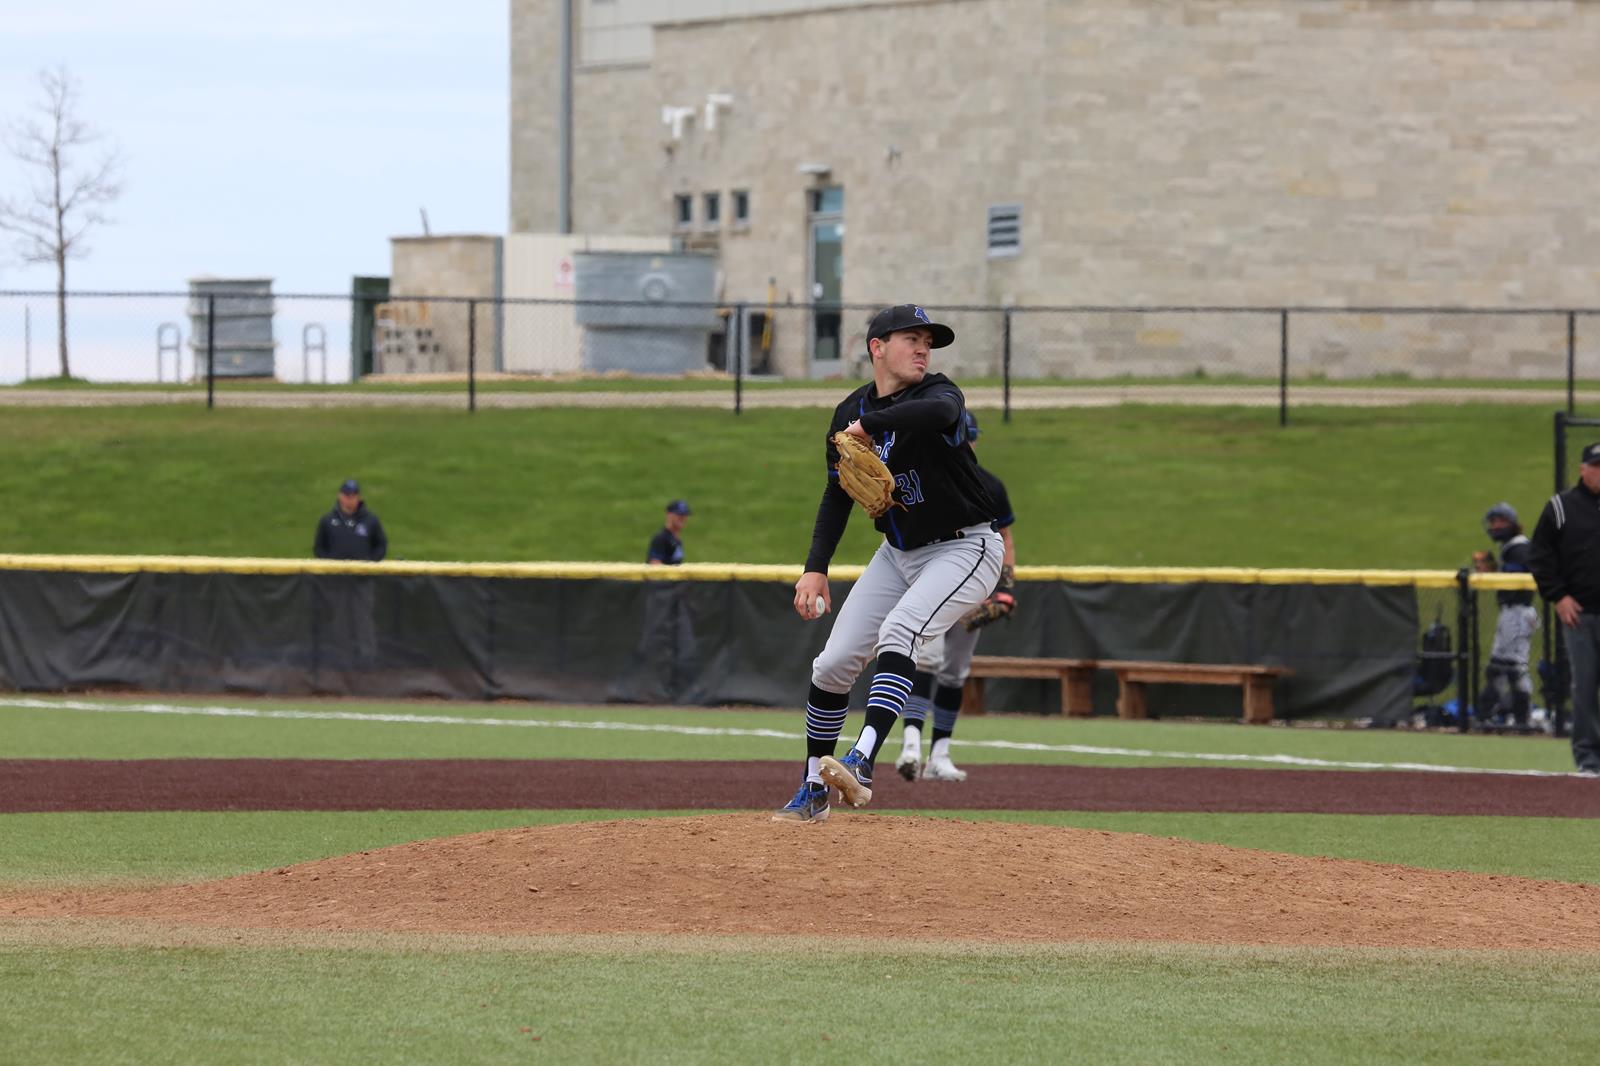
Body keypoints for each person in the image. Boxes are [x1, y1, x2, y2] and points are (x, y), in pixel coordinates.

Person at [773, 304, 1003, 823]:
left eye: (929, 341)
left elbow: (943, 417)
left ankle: (862, 760)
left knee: (901, 632)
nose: (924, 349)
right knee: (831, 665)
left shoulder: (938, 392)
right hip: (897, 553)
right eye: (911, 339)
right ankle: (812, 789)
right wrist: (815, 567)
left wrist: (869, 424)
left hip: (965, 547)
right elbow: (837, 496)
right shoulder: (847, 411)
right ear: (877, 347)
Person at [895, 410, 1017, 782]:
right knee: (927, 660)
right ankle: (911, 745)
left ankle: (940, 755)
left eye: (970, 435)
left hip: (974, 591)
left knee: (954, 672)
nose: (968, 442)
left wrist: (1005, 589)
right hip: (931, 587)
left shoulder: (989, 485)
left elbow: (1006, 540)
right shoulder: (927, 480)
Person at [1528, 443, 1600, 776]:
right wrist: (1558, 596)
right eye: (1596, 466)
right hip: (1580, 613)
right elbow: (1540, 556)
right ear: (1583, 469)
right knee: (1584, 686)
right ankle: (1588, 758)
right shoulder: (1560, 507)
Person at [1472, 502, 1537, 731]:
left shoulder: (1519, 548)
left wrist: (1497, 574)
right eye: (1493, 522)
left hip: (1518, 612)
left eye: (1501, 521)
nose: (1496, 526)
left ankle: (1519, 719)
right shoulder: (1511, 547)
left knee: (1511, 668)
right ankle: (1501, 717)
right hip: (1512, 613)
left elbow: (1525, 575)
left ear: (1512, 523)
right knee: (1504, 668)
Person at [313, 479, 387, 561]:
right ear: (339, 496)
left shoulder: (371, 520)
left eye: (353, 496)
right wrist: (330, 563)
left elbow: (381, 546)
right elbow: (319, 547)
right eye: (347, 496)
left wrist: (370, 562)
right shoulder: (327, 520)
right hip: (334, 572)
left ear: (359, 497)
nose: (350, 500)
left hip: (362, 572)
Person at [647, 500, 691, 565]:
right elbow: (655, 566)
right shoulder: (661, 539)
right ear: (669, 515)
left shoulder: (676, 540)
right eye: (679, 514)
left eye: (685, 515)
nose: (683, 518)